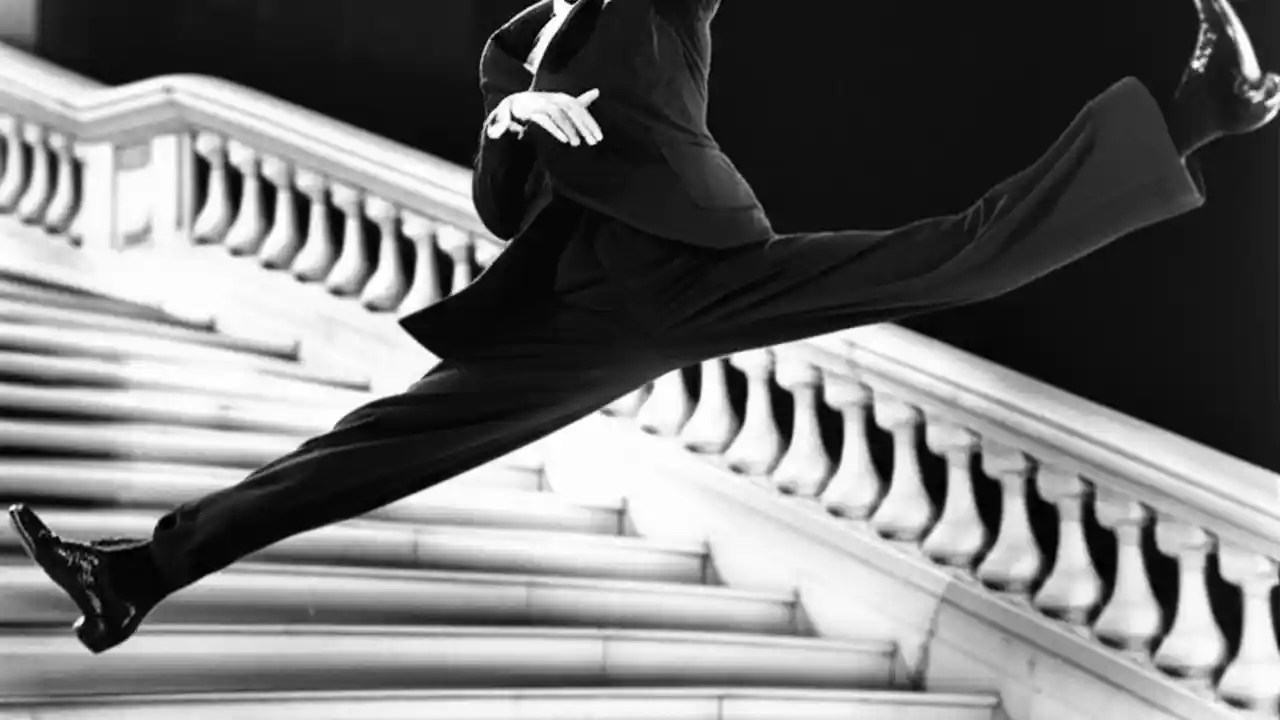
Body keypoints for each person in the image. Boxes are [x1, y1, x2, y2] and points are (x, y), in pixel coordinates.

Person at [9, 0, 1279, 656]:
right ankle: (132, 579)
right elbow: (504, 202)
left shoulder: (660, 2)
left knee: (950, 256)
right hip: (574, 304)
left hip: (693, 267)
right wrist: (515, 124)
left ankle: (1191, 119)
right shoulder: (519, 43)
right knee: (368, 446)